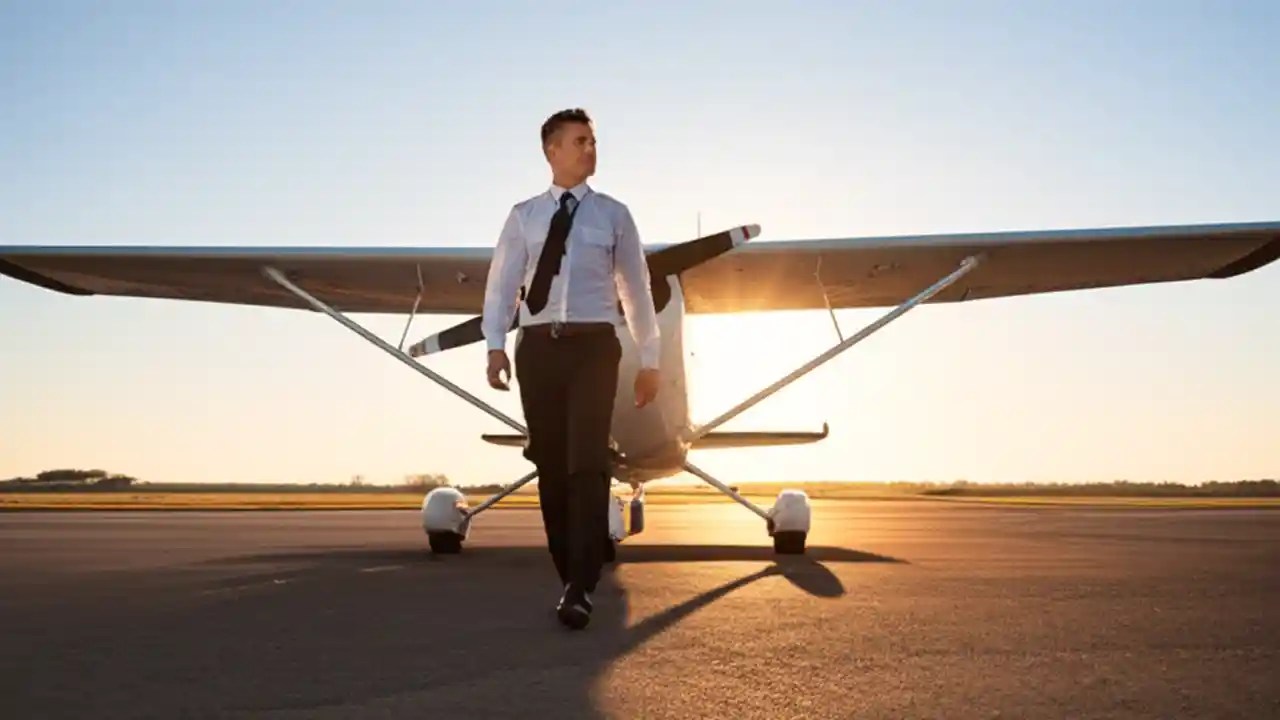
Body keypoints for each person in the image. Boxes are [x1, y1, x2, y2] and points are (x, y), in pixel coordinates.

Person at [480, 108, 661, 630]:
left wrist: (650, 360)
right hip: (537, 348)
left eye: (593, 141)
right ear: (551, 150)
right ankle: (569, 576)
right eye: (580, 141)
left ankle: (580, 584)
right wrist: (495, 346)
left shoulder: (614, 215)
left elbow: (637, 290)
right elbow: (502, 287)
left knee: (587, 461)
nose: (590, 149)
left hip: (593, 349)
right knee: (551, 463)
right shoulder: (523, 217)